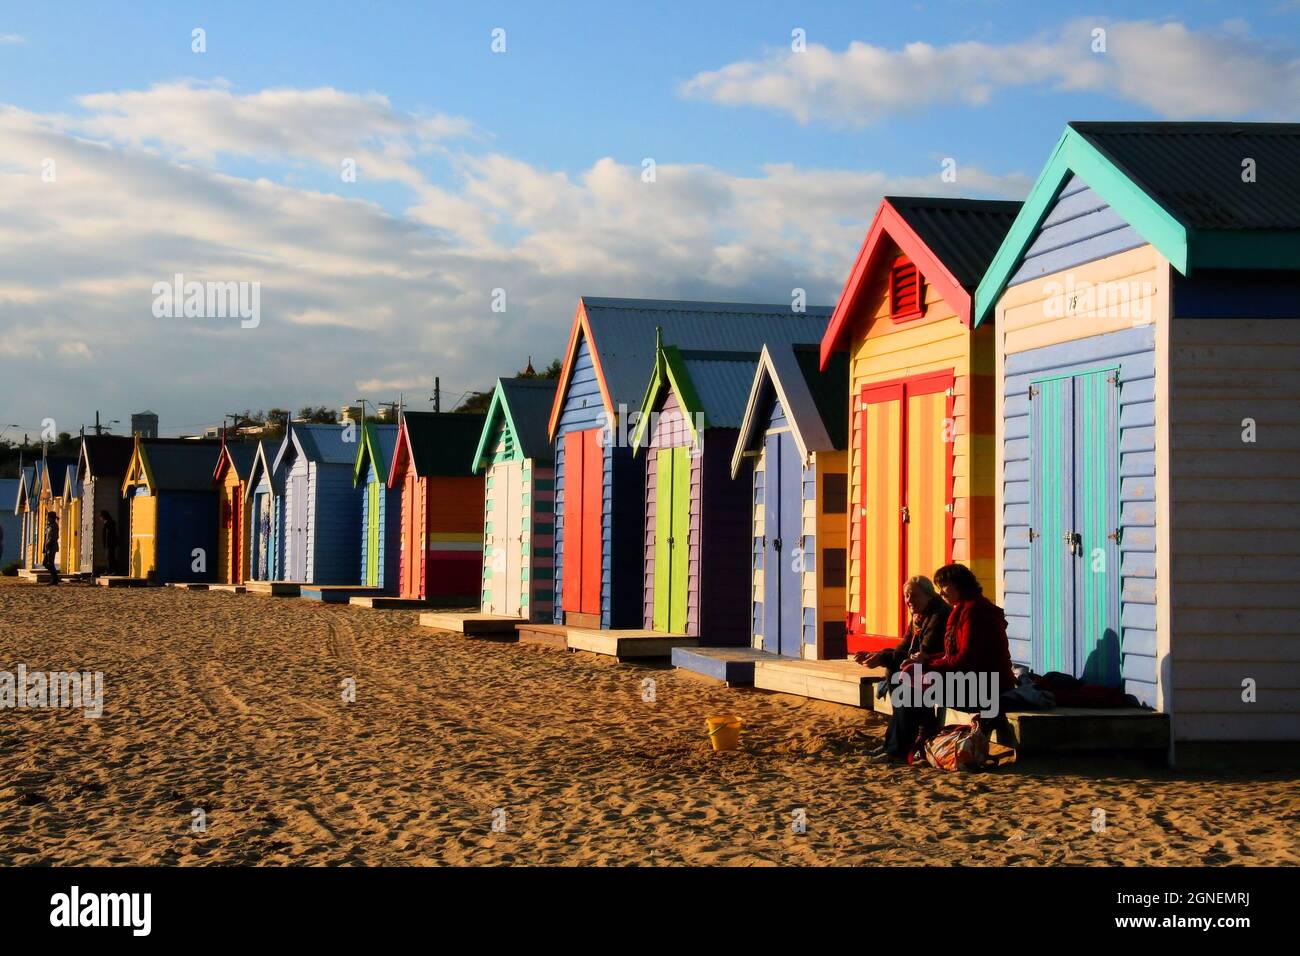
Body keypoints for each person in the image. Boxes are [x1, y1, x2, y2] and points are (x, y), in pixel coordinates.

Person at [873, 563, 1016, 763]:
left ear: (960, 585)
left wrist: (928, 665)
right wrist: (927, 660)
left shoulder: (975, 613)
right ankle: (901, 745)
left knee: (910, 692)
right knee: (907, 680)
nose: (941, 592)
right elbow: (954, 655)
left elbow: (965, 659)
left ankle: (900, 750)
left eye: (945, 586)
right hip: (973, 679)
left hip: (986, 685)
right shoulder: (963, 609)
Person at [43, 511, 60, 586]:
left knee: (50, 563)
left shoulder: (54, 526)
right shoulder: (48, 526)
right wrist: (44, 547)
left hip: (52, 547)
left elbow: (55, 537)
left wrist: (49, 544)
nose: (47, 518)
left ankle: (54, 579)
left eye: (48, 517)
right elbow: (46, 537)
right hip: (47, 547)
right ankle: (54, 578)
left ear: (51, 518)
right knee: (45, 563)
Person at [101, 510, 118, 576]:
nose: (101, 519)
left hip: (110, 543)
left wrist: (106, 544)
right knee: (109, 557)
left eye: (101, 517)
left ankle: (113, 570)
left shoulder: (109, 524)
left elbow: (108, 535)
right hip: (108, 544)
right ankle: (109, 570)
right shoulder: (108, 523)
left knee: (110, 557)